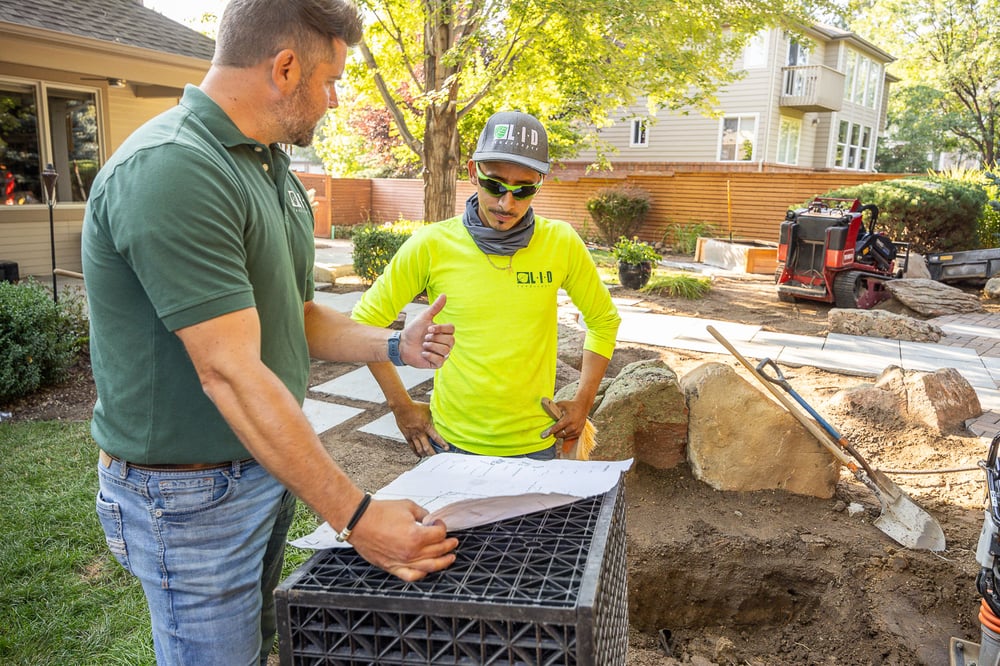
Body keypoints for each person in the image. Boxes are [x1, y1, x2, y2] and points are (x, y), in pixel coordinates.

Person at [81, 1, 458, 664]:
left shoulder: (264, 166)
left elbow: (295, 314)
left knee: (253, 650)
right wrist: (358, 517)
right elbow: (227, 369)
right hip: (188, 497)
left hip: (259, 466)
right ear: (285, 68)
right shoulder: (176, 169)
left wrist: (394, 345)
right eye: (331, 80)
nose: (336, 101)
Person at [352, 111, 621, 460]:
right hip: (451, 445)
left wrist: (583, 401)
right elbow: (363, 324)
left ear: (540, 182)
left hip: (536, 444)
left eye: (524, 190)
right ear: (472, 173)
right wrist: (399, 405)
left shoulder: (562, 243)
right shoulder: (432, 244)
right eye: (495, 185)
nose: (507, 204)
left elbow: (604, 321)